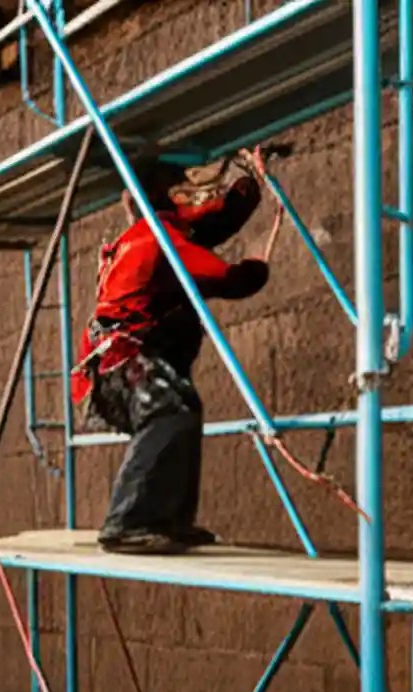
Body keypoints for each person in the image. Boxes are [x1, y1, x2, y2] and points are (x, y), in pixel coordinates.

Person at [71, 153, 274, 554]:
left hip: (113, 367)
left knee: (184, 409)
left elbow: (215, 222)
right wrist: (258, 269)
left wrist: (251, 184)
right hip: (122, 365)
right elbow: (226, 278)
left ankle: (170, 520)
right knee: (169, 412)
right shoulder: (160, 240)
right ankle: (127, 522)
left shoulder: (150, 233)